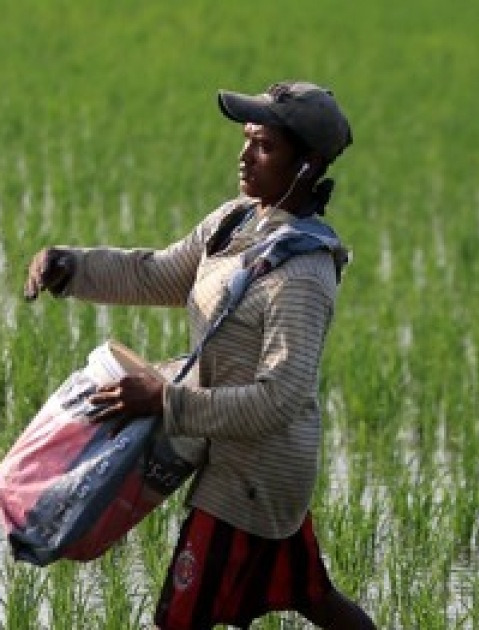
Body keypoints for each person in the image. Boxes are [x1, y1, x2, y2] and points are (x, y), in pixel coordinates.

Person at [22, 80, 376, 629]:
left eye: (264, 145)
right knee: (312, 597)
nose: (244, 153)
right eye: (246, 138)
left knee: (179, 622)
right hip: (241, 459)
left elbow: (280, 396)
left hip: (253, 473)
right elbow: (157, 273)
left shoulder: (303, 273)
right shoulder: (236, 222)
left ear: (307, 166)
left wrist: (167, 401)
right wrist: (69, 265)